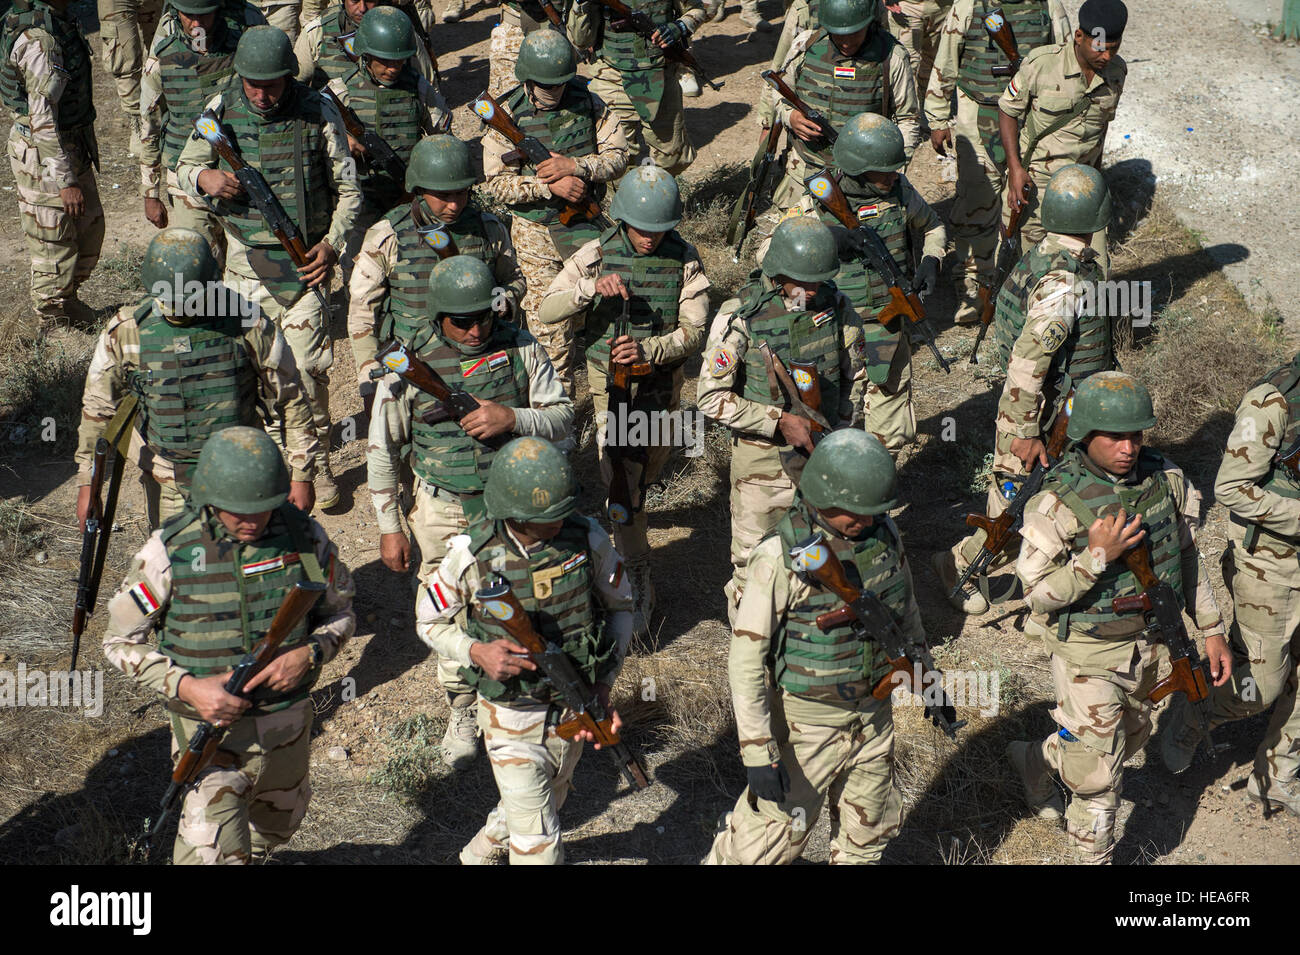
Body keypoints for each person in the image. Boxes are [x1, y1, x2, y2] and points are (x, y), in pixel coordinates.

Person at [101, 426, 355, 864]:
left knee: (280, 825)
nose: (251, 521)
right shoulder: (170, 552)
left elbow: (341, 613)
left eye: (262, 508)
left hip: (286, 729)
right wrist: (189, 688)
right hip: (212, 742)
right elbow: (118, 641)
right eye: (237, 511)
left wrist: (311, 652)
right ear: (210, 498)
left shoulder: (304, 538)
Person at [1006, 371, 1231, 863]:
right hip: (1089, 649)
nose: (1128, 447)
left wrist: (1211, 629)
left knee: (1129, 740)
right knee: (1100, 778)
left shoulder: (1165, 480)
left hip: (1152, 643)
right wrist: (1094, 559)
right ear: (1086, 434)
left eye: (1136, 434)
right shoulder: (1057, 502)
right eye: (1115, 437)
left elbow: (1185, 558)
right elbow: (1036, 596)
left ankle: (1035, 760)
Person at [368, 255, 573, 769]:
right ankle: (461, 707)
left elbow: (565, 417)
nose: (477, 328)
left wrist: (514, 417)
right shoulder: (409, 364)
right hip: (443, 509)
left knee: (524, 600)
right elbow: (383, 450)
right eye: (462, 320)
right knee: (449, 609)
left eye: (484, 315)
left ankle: (531, 698)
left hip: (516, 512)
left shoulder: (520, 345)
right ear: (438, 316)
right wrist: (391, 527)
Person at [706, 429, 924, 864]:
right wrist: (757, 750)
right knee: (760, 850)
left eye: (872, 512)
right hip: (808, 728)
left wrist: (924, 669)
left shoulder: (883, 534)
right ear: (822, 492)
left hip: (873, 718)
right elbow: (746, 660)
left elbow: (906, 607)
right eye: (854, 512)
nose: (864, 522)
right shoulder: (779, 557)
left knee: (867, 840)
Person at [416, 436, 634, 864]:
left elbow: (622, 608)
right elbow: (428, 621)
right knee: (539, 842)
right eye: (546, 517)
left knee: (551, 794)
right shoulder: (472, 556)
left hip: (573, 705)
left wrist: (604, 682)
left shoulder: (587, 538)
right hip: (510, 714)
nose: (558, 523)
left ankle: (475, 855)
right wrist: (476, 651)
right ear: (513, 511)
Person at [177, 25, 362, 510]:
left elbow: (349, 193)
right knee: (250, 373)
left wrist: (332, 246)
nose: (261, 94)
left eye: (272, 84)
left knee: (307, 374)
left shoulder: (318, 111)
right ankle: (263, 463)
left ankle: (314, 462)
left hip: (305, 269)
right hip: (244, 266)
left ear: (288, 77)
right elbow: (180, 167)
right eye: (252, 84)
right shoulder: (220, 114)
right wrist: (205, 177)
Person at [537, 164, 710, 636]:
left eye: (660, 229)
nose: (650, 238)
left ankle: (633, 510)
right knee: (621, 476)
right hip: (607, 382)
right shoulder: (595, 255)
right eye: (641, 228)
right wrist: (588, 290)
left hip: (661, 381)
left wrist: (650, 351)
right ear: (622, 219)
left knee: (651, 465)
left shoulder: (685, 259)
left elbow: (694, 332)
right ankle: (636, 567)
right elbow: (546, 309)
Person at [934, 163, 1114, 614]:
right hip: (1041, 416)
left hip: (1060, 412)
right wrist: (1024, 432)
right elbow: (1029, 361)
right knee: (1013, 505)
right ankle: (959, 564)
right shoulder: (1064, 284)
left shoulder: (1048, 255)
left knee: (1054, 499)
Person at [77, 228, 319, 529]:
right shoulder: (127, 331)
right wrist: (89, 484)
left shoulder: (247, 323)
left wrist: (301, 474)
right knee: (175, 568)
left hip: (243, 474)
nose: (177, 308)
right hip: (167, 479)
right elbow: (99, 410)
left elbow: (291, 398)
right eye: (168, 299)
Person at [698, 215, 867, 624]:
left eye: (818, 282)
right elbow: (709, 396)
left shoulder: (838, 307)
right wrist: (777, 421)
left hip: (823, 458)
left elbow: (855, 381)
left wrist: (842, 440)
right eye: (802, 282)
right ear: (777, 273)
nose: (811, 291)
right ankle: (751, 652)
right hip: (760, 464)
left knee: (822, 558)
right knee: (752, 565)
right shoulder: (741, 317)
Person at [1160, 356, 1300, 817]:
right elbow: (1232, 487)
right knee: (1261, 684)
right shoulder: (1273, 401)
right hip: (1271, 565)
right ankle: (1193, 714)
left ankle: (1278, 776)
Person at [782, 112, 943, 455]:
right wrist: (827, 238)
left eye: (893, 168)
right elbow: (772, 250)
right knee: (835, 425)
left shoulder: (899, 191)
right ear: (857, 166)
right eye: (883, 170)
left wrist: (932, 260)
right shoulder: (819, 199)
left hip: (888, 325)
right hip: (836, 329)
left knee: (892, 430)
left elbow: (933, 226)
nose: (892, 176)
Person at [481, 28, 629, 395]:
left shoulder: (590, 103)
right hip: (535, 236)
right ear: (527, 79)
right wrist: (547, 186)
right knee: (551, 336)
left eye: (561, 84)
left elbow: (619, 156)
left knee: (600, 315)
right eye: (546, 86)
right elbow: (495, 185)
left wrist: (576, 167)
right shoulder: (506, 117)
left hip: (586, 227)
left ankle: (607, 404)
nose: (555, 92)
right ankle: (556, 417)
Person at [349, 134, 525, 413]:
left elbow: (513, 278)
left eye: (461, 193)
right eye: (443, 196)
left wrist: (504, 299)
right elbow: (362, 310)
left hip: (480, 361)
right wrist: (370, 372)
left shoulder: (488, 228)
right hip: (415, 367)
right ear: (419, 189)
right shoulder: (389, 235)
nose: (454, 205)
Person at [923, 0, 1068, 324]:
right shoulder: (970, 5)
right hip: (978, 113)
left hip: (1031, 119)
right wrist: (937, 116)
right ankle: (973, 287)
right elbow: (945, 60)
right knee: (977, 202)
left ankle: (1028, 284)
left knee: (1032, 204)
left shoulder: (1048, 7)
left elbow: (1064, 62)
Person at [1, 0, 104, 339]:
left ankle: (68, 301)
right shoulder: (39, 41)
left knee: (90, 228)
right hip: (43, 156)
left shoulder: (58, 19)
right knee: (53, 242)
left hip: (69, 144)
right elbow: (42, 119)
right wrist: (64, 180)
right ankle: (52, 323)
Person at [998, 0, 1125, 271]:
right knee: (1026, 270)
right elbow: (1007, 111)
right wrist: (1015, 169)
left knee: (1096, 272)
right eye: (1100, 48)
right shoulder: (1041, 64)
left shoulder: (1117, 73)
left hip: (1085, 190)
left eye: (1114, 49)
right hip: (1037, 186)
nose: (1107, 57)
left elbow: (1101, 129)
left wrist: (1098, 177)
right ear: (1079, 37)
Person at [325, 5, 450, 277]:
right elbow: (317, 146)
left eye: (400, 60)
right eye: (384, 60)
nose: (393, 68)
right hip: (362, 201)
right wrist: (344, 142)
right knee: (360, 275)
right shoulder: (340, 91)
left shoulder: (418, 87)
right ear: (366, 55)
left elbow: (443, 140)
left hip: (407, 198)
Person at [139, 0, 267, 265]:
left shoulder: (247, 21)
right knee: (197, 263)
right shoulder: (166, 39)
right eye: (189, 16)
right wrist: (150, 193)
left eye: (204, 15)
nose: (197, 25)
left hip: (242, 166)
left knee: (247, 267)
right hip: (186, 175)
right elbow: (149, 120)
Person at [763, 0, 920, 209]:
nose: (846, 43)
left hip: (864, 181)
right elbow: (780, 91)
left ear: (869, 23)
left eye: (854, 33)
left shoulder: (892, 57)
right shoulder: (806, 44)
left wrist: (891, 170)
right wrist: (790, 116)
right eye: (838, 34)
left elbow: (907, 119)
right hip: (803, 171)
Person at [568, 0, 706, 174]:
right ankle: (623, 199)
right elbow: (580, 40)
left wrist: (679, 26)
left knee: (673, 158)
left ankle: (657, 195)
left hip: (660, 74)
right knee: (614, 159)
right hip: (611, 77)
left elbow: (698, 10)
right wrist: (581, 5)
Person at [294, 0, 437, 88]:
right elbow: (295, 84)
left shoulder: (398, 30)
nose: (362, 8)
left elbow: (428, 86)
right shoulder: (318, 31)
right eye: (355, 1)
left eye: (369, 0)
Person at [882, 0, 952, 102]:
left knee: (933, 62)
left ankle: (924, 106)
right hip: (908, 7)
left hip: (943, 9)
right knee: (908, 63)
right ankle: (908, 113)